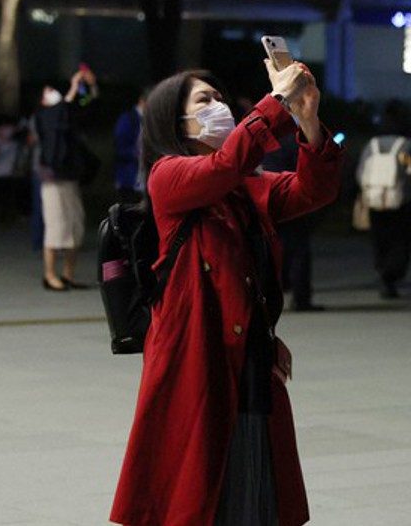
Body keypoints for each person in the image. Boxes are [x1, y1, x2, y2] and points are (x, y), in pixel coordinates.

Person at [111, 62, 341, 526]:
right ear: (175, 123)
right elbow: (225, 165)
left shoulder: (242, 190)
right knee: (195, 495)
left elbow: (313, 190)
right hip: (194, 360)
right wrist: (275, 103)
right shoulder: (167, 175)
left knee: (254, 492)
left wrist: (308, 122)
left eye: (220, 98)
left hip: (248, 363)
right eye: (205, 101)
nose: (220, 108)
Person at [32, 67, 96, 291]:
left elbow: (85, 104)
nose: (47, 93)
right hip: (53, 177)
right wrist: (72, 87)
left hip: (70, 176)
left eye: (50, 89)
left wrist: (86, 86)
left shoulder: (65, 111)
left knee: (75, 224)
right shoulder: (44, 115)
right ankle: (49, 275)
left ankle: (68, 274)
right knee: (56, 225)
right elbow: (62, 112)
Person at [357, 102, 411, 299]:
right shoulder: (406, 146)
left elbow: (361, 171)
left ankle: (382, 270)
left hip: (375, 199)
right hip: (400, 201)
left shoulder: (372, 145)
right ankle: (391, 275)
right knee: (400, 239)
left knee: (380, 239)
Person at [262, 133, 325, 312]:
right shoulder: (292, 138)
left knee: (268, 249)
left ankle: (267, 295)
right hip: (287, 195)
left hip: (262, 197)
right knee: (298, 249)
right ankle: (300, 296)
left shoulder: (258, 134)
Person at [114, 88, 148, 204]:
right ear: (143, 101)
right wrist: (140, 154)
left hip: (145, 178)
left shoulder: (149, 120)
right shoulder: (128, 119)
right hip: (130, 177)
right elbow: (120, 148)